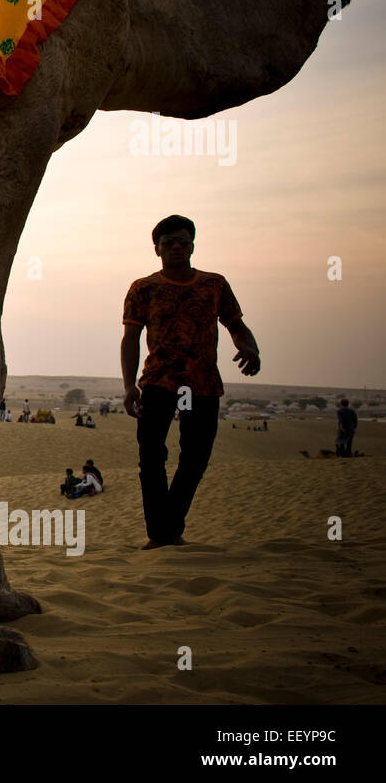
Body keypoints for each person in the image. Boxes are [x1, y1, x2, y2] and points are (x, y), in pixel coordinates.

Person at [122, 215, 260, 550]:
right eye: (168, 242)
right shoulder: (143, 288)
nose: (176, 248)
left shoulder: (215, 285)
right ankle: (160, 535)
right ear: (157, 249)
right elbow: (130, 338)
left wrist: (250, 347)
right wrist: (129, 385)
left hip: (203, 385)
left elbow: (236, 326)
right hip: (158, 382)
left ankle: (169, 527)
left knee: (195, 459)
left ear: (193, 245)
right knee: (151, 458)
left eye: (183, 241)